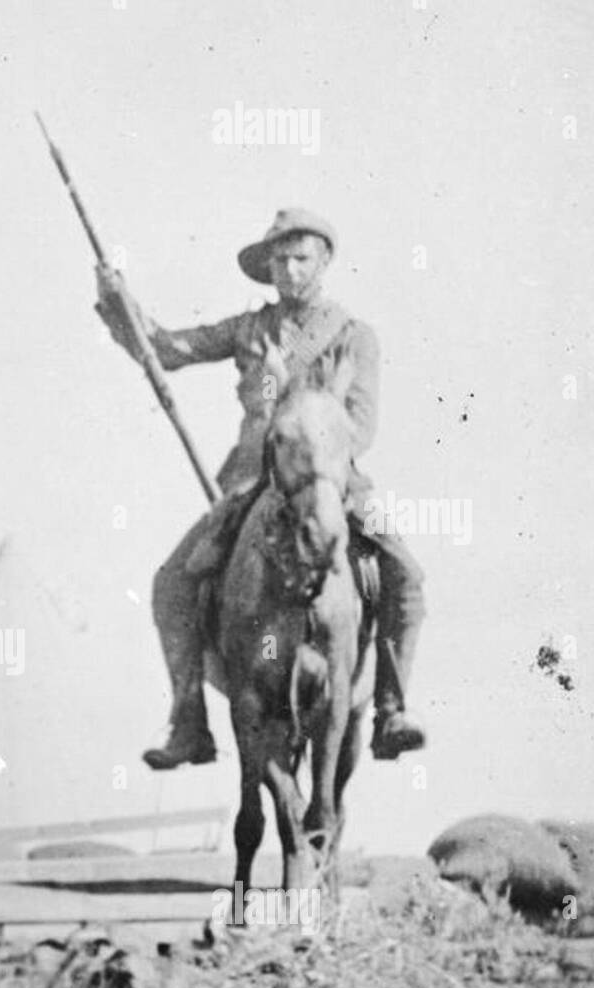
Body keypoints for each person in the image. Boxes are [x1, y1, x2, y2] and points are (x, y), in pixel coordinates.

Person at [95, 208, 426, 767]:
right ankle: (189, 720)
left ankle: (391, 707)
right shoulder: (249, 330)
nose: (290, 270)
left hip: (328, 483)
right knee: (172, 584)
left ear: (323, 263)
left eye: (301, 258)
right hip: (253, 480)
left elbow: (361, 425)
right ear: (267, 267)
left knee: (405, 576)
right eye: (280, 260)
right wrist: (117, 300)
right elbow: (169, 348)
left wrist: (313, 454)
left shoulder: (352, 337)